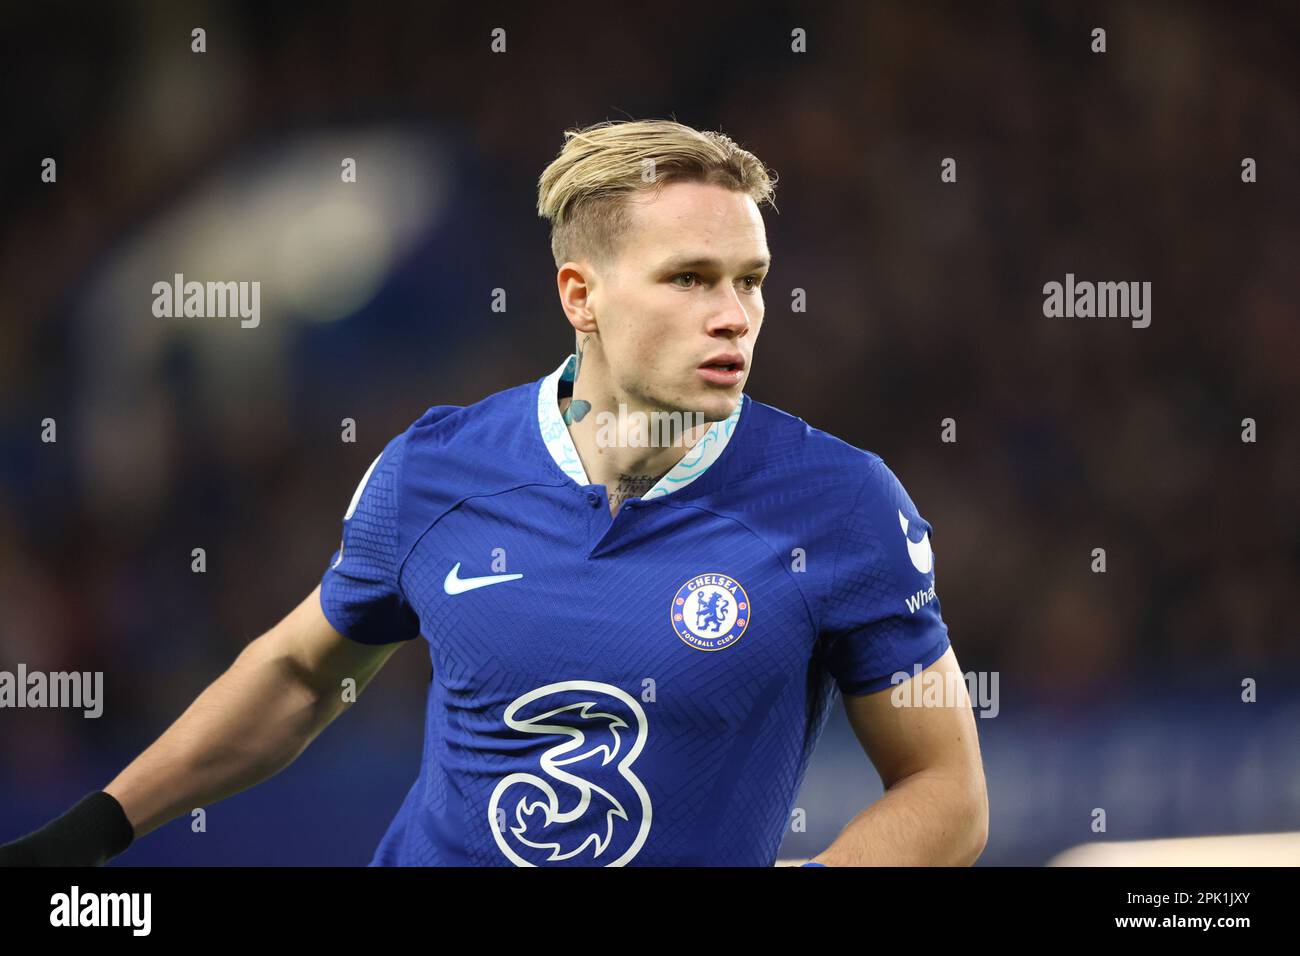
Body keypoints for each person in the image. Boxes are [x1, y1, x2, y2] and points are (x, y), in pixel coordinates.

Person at [1, 119, 987, 867]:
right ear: (579, 295)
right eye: (688, 279)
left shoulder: (842, 504)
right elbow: (303, 674)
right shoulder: (435, 468)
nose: (733, 316)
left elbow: (946, 785)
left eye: (752, 280)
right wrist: (89, 833)